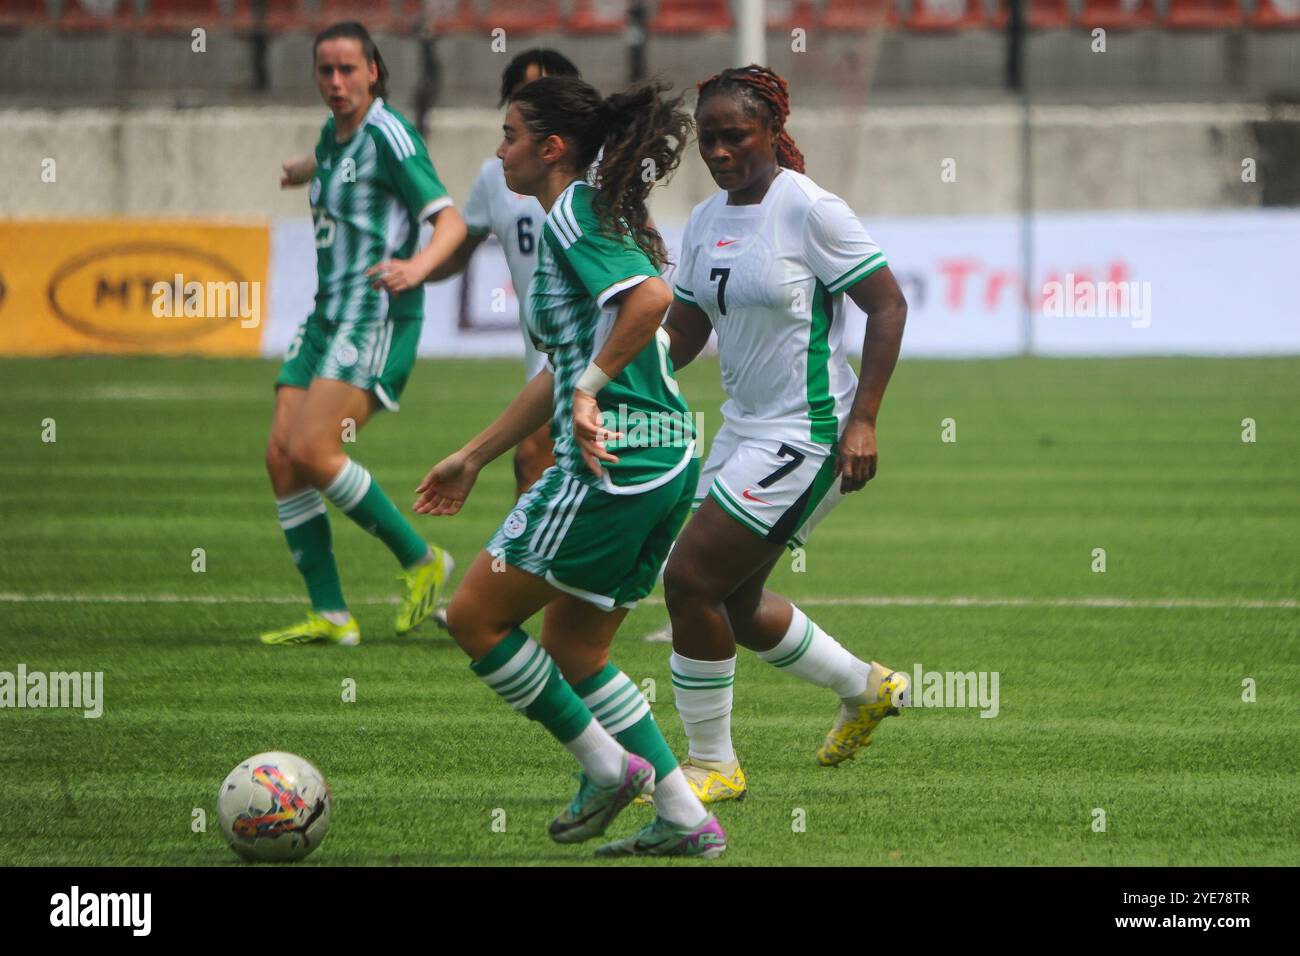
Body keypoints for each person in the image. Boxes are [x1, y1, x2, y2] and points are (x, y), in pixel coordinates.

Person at [413, 75, 725, 858]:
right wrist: (474, 457)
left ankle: (604, 768)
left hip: (612, 463)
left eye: (511, 134)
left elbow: (650, 299)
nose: (500, 148)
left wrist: (589, 392)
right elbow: (564, 363)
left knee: (477, 617)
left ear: (551, 147)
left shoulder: (576, 213)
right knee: (578, 652)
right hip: (663, 458)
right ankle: (687, 820)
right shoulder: (592, 210)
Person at [659, 65, 911, 802]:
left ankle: (713, 766)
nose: (720, 151)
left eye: (735, 135)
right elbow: (687, 325)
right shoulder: (705, 221)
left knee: (688, 579)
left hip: (811, 435)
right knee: (730, 603)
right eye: (708, 138)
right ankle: (867, 688)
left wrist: (864, 419)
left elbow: (888, 307)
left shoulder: (811, 211)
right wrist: (616, 374)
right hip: (744, 431)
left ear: (773, 131)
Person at [292, 48, 582, 497]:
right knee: (537, 473)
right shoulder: (498, 177)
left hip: (590, 359)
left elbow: (644, 274)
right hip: (541, 362)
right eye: (525, 92)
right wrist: (414, 271)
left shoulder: (602, 173)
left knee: (544, 469)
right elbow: (459, 251)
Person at [261, 21, 465, 646]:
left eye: (348, 69)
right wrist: (303, 169)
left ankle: (422, 559)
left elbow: (450, 222)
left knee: (316, 451)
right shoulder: (335, 136)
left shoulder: (390, 135)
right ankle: (331, 614)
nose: (336, 81)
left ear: (373, 70)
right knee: (282, 458)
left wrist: (419, 268)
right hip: (325, 317)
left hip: (373, 316)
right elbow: (333, 165)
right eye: (325, 71)